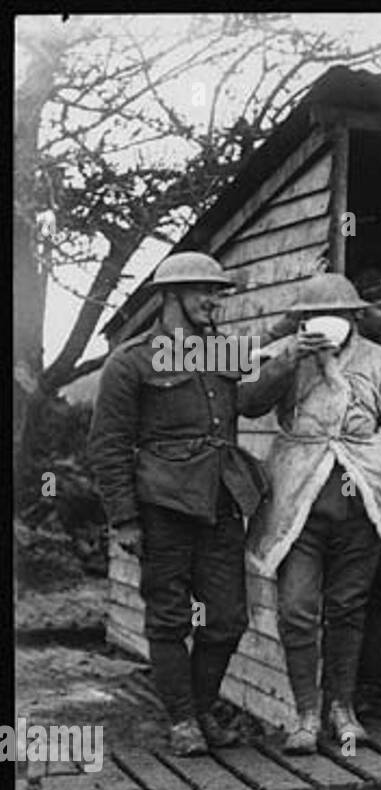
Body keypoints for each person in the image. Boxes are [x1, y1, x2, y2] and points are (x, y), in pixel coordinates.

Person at [88, 252, 269, 756]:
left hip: (220, 505)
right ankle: (185, 720)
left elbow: (254, 398)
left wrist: (292, 348)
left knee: (228, 618)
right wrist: (123, 518)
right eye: (202, 292)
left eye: (217, 292)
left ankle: (199, 706)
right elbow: (107, 444)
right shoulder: (132, 361)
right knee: (169, 619)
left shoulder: (223, 354)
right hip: (161, 510)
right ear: (170, 297)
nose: (214, 301)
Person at [243, 274, 381, 754]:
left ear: (356, 318)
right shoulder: (284, 355)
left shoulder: (380, 361)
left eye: (339, 315)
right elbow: (249, 404)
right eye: (316, 316)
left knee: (347, 608)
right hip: (299, 501)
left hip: (361, 502)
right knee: (297, 608)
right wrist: (288, 356)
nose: (328, 325)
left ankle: (342, 708)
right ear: (300, 320)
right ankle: (305, 714)